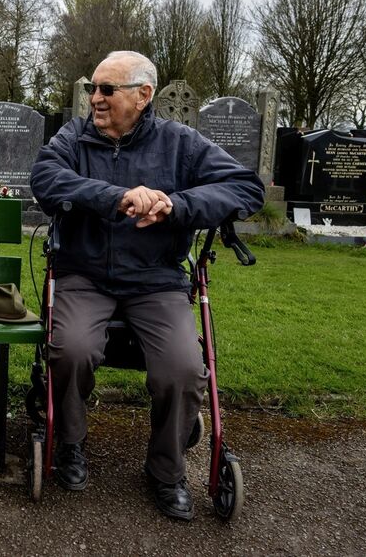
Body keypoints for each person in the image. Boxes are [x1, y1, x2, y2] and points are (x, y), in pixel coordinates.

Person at [30, 51, 264, 520]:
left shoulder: (180, 142)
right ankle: (70, 444)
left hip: (157, 279)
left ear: (143, 95)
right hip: (84, 274)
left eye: (107, 90)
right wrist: (115, 197)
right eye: (94, 88)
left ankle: (166, 469)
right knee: (71, 347)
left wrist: (175, 206)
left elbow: (245, 187)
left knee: (182, 366)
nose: (95, 98)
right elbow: (46, 177)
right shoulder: (74, 137)